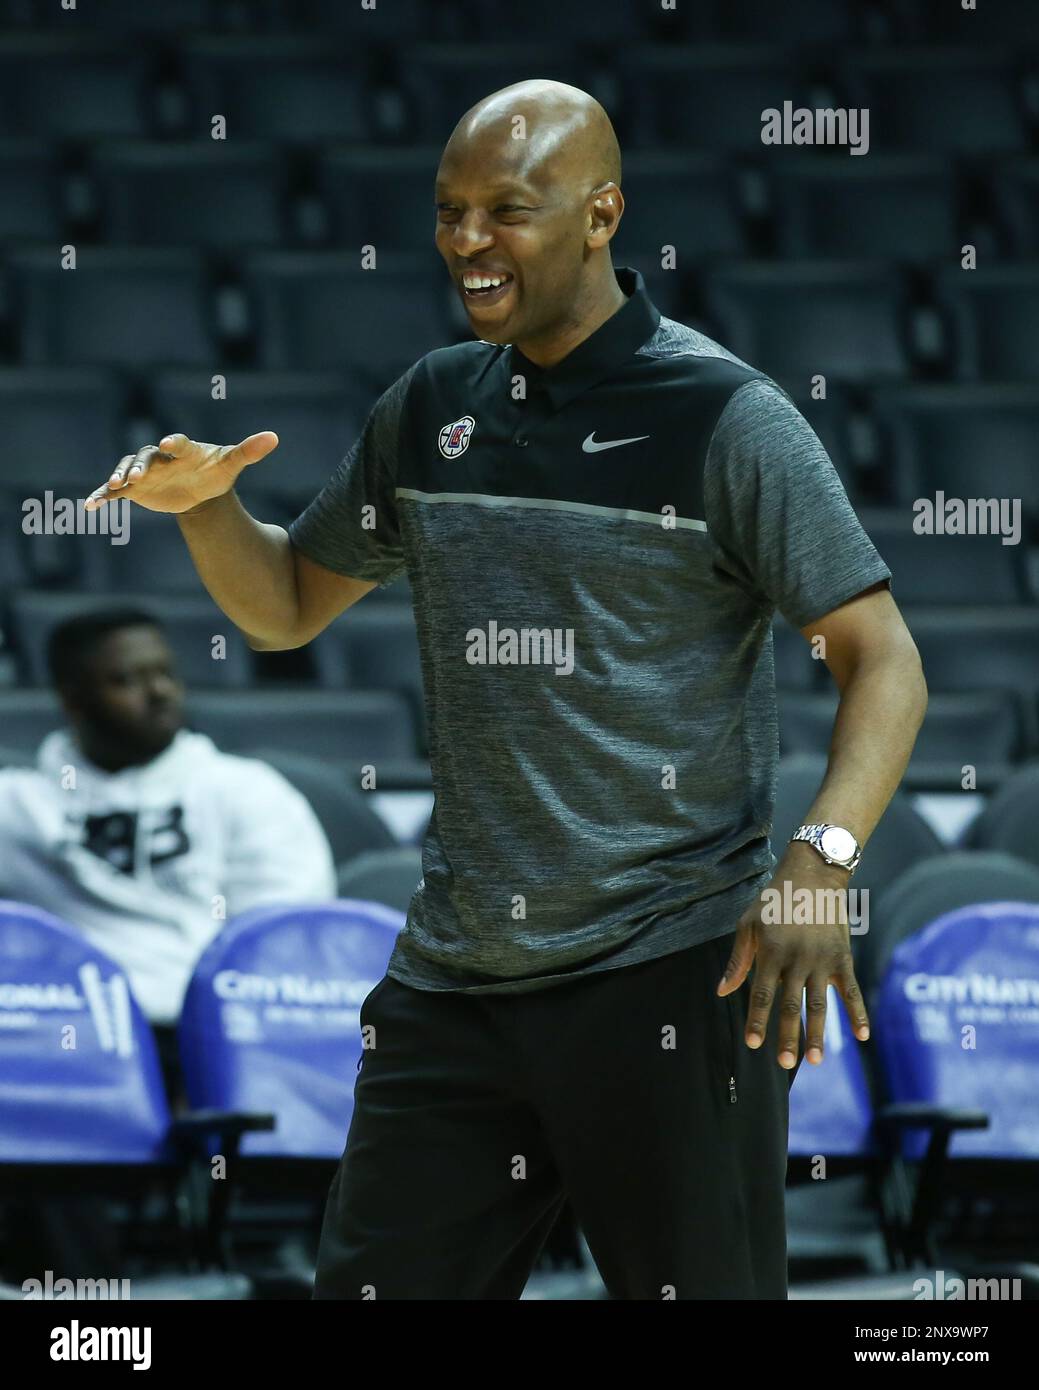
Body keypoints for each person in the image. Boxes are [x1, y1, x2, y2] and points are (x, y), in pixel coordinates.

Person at [82, 80, 928, 1299]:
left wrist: (821, 858)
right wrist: (209, 509)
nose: (468, 242)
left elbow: (882, 655)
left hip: (669, 964)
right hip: (454, 979)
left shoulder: (725, 417)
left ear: (601, 215)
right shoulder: (433, 405)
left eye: (507, 211)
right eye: (449, 212)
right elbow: (282, 607)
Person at [0, 609, 336, 1105]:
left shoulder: (245, 789)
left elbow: (280, 939)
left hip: (212, 1035)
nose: (158, 692)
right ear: (72, 700)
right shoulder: (18, 806)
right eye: (126, 680)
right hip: (65, 1036)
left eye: (164, 673)